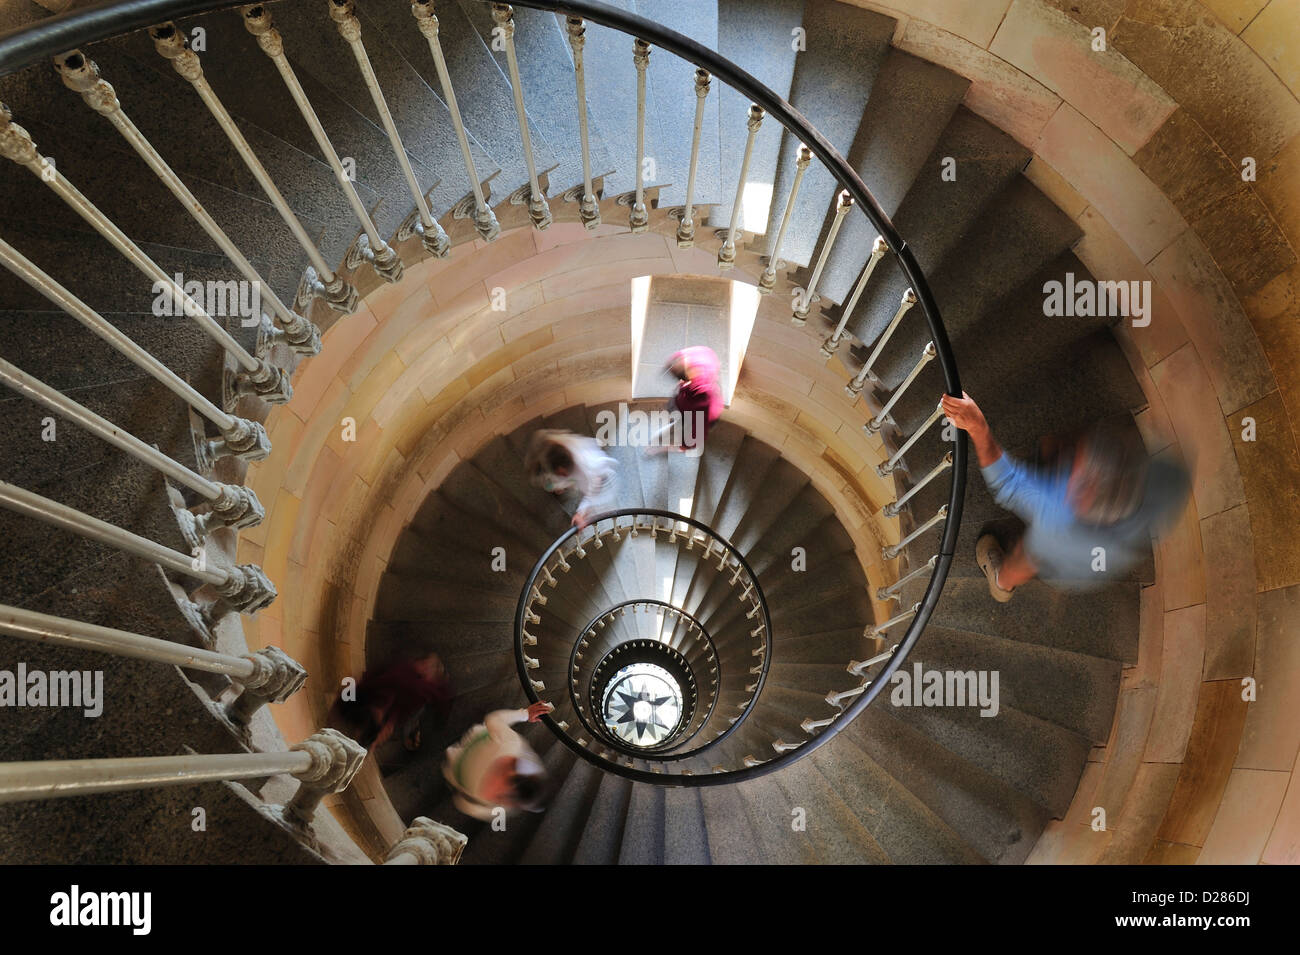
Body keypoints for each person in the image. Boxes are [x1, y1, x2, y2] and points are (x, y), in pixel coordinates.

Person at [940, 391, 1189, 602]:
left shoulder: (1058, 516)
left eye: (1077, 477)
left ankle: (1002, 583)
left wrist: (977, 427)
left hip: (1065, 551)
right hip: (1102, 555)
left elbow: (1007, 484)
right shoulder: (1164, 480)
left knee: (1030, 556)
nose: (1072, 469)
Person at [442, 702, 554, 820]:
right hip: (457, 768)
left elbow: (493, 719)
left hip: (479, 741)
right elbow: (463, 804)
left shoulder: (510, 745)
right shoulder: (492, 805)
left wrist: (525, 714)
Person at [328, 651, 451, 752]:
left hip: (374, 707)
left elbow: (397, 701)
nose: (423, 667)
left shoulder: (417, 687)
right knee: (349, 688)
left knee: (350, 692)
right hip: (370, 701)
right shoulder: (407, 671)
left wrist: (386, 718)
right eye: (424, 664)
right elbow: (381, 680)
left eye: (427, 668)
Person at [525, 429, 617, 528]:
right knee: (553, 484)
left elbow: (594, 488)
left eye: (561, 473)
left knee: (559, 483)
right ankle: (557, 487)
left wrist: (581, 512)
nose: (561, 475)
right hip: (573, 476)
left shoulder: (590, 465)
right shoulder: (565, 447)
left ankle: (559, 486)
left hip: (586, 475)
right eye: (559, 473)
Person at [651, 345, 724, 453]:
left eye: (681, 380)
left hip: (695, 416)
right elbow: (680, 356)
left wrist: (680, 447)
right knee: (678, 421)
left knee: (684, 426)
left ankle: (671, 432)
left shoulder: (701, 403)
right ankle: (671, 429)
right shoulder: (697, 357)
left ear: (686, 380)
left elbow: (696, 435)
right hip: (685, 408)